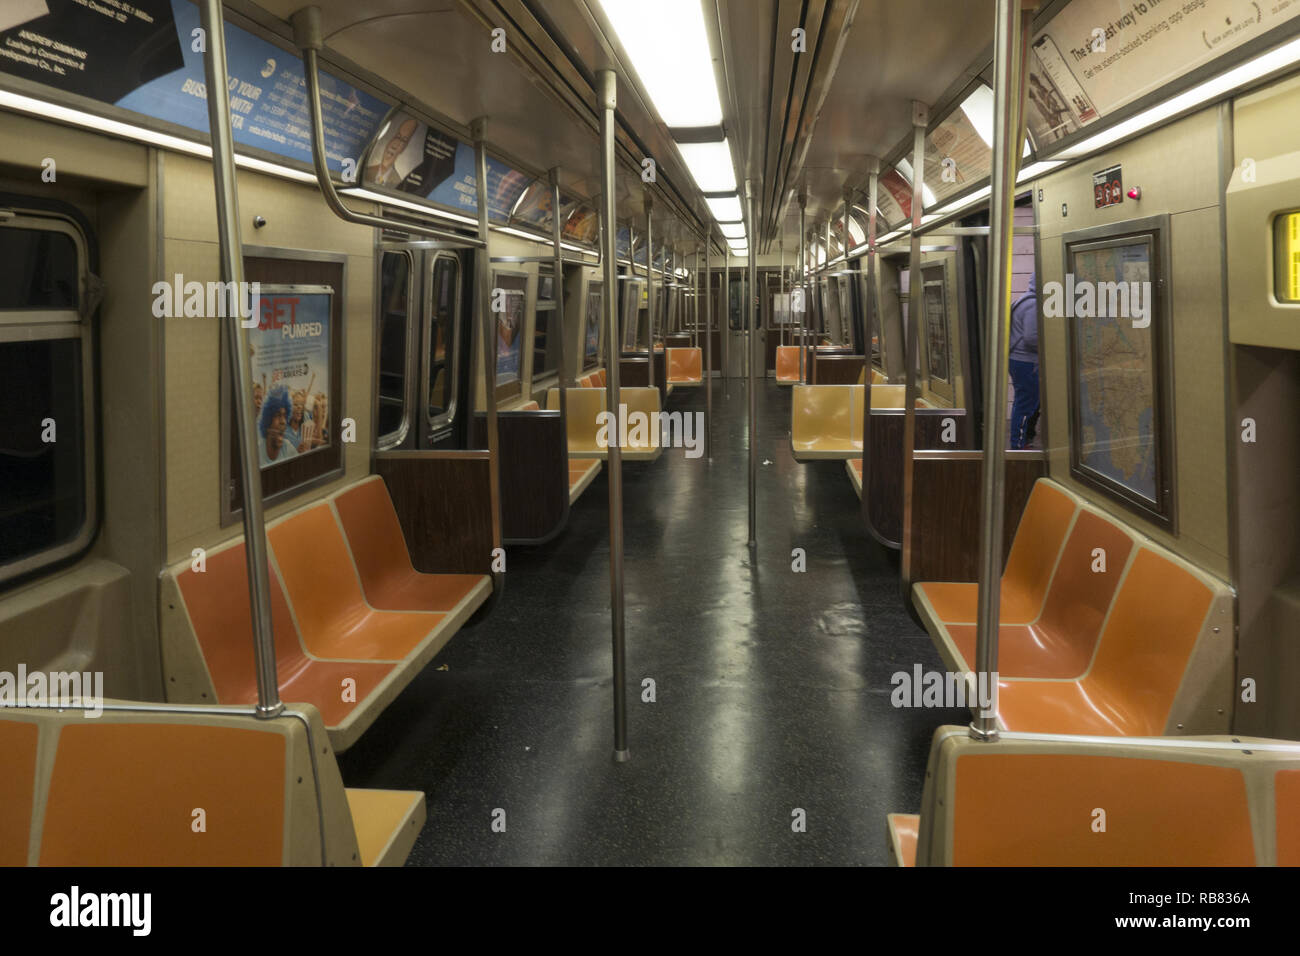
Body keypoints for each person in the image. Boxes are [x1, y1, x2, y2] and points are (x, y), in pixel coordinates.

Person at [1008, 274, 1040, 450]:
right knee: (1026, 403)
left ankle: (1023, 439)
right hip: (1027, 361)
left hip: (1019, 360)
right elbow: (1032, 338)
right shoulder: (1034, 304)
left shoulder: (1024, 299)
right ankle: (1018, 445)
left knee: (1027, 401)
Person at [258, 384, 298, 467]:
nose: (283, 421)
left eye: (284, 416)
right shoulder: (257, 454)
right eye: (278, 415)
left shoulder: (288, 448)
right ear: (267, 422)